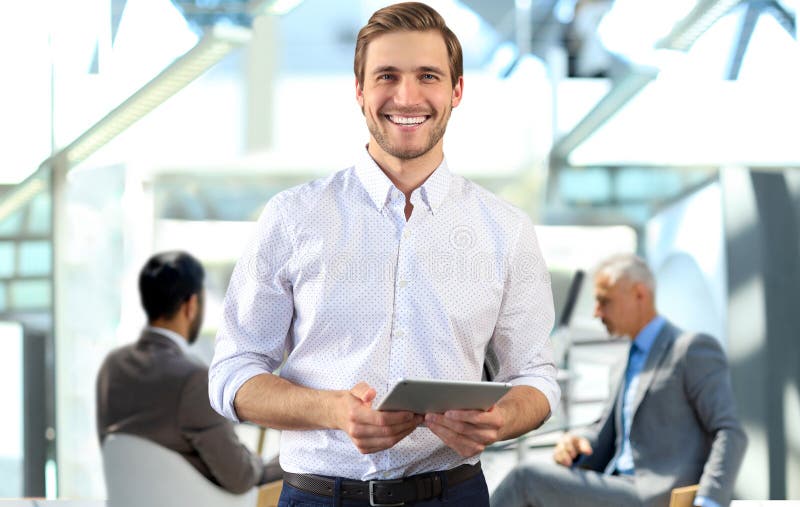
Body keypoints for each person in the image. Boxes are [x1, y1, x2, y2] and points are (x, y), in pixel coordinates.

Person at [208, 3, 559, 506]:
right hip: (319, 496)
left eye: (428, 76)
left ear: (457, 91)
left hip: (453, 494)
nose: (407, 96)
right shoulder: (292, 217)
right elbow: (232, 373)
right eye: (387, 76)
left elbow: (535, 377)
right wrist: (332, 411)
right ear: (359, 90)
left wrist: (504, 418)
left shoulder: (506, 231)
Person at [490, 254, 747, 507]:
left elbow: (729, 431)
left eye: (604, 301)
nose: (596, 312)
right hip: (615, 485)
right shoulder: (624, 361)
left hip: (655, 495)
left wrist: (709, 501)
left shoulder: (690, 349)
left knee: (525, 480)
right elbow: (605, 433)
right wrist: (580, 443)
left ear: (639, 294)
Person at [96, 251, 279, 494]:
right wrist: (257, 460)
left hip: (132, 498)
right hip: (201, 498)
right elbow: (241, 477)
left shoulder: (113, 367)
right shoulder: (193, 380)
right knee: (296, 467)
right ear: (191, 305)